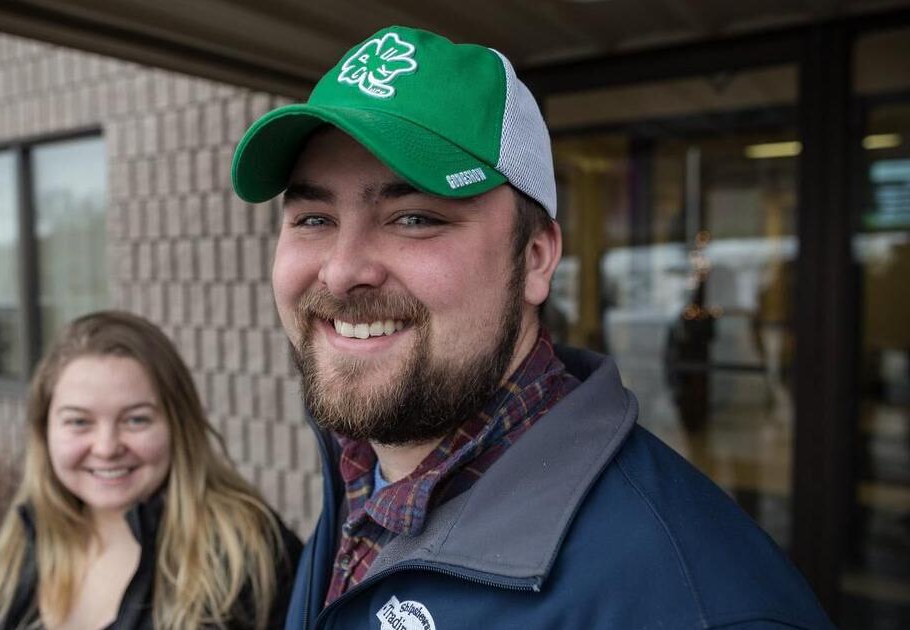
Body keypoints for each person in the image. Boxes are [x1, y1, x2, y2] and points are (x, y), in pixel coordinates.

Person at [231, 25, 833, 630]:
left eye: (413, 218)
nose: (340, 273)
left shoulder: (700, 605)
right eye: (313, 218)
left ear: (537, 258)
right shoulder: (361, 471)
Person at [0, 311, 301, 630]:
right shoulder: (28, 534)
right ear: (44, 430)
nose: (107, 447)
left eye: (136, 419)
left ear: (178, 425)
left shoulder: (248, 553)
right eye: (79, 421)